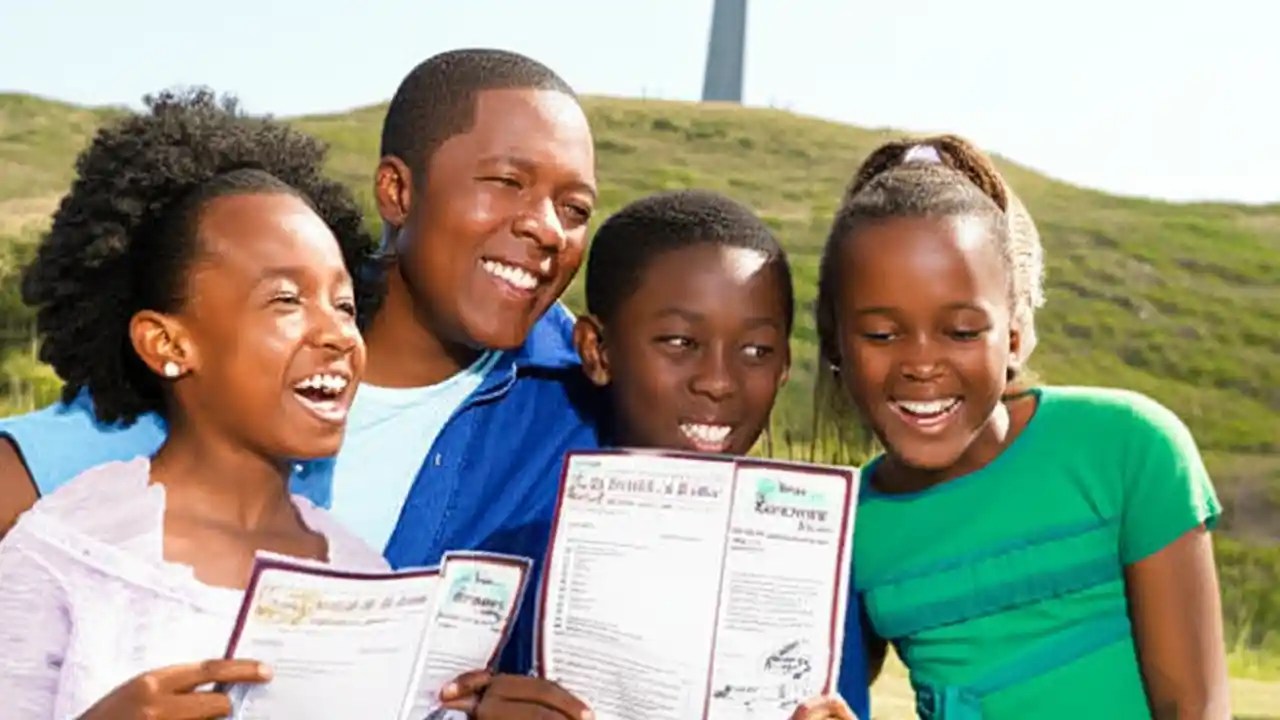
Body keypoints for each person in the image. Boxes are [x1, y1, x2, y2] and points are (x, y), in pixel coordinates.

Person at [0, 49, 603, 720]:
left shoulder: (583, 406)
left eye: (575, 208)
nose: (545, 227)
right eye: (505, 180)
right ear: (398, 192)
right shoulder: (157, 423)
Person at [0, 89, 388, 719]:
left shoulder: (367, 578)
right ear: (168, 343)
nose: (338, 333)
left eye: (344, 305)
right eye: (287, 300)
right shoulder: (64, 555)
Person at [815, 135, 1229, 718]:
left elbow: (1195, 706)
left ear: (1012, 336)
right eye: (882, 335)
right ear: (837, 345)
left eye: (961, 331)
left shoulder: (1128, 449)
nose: (922, 363)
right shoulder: (844, 527)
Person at [570, 190, 869, 720]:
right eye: (680, 342)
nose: (718, 382)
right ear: (598, 350)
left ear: (782, 367)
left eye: (755, 350)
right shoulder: (537, 542)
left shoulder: (813, 571)